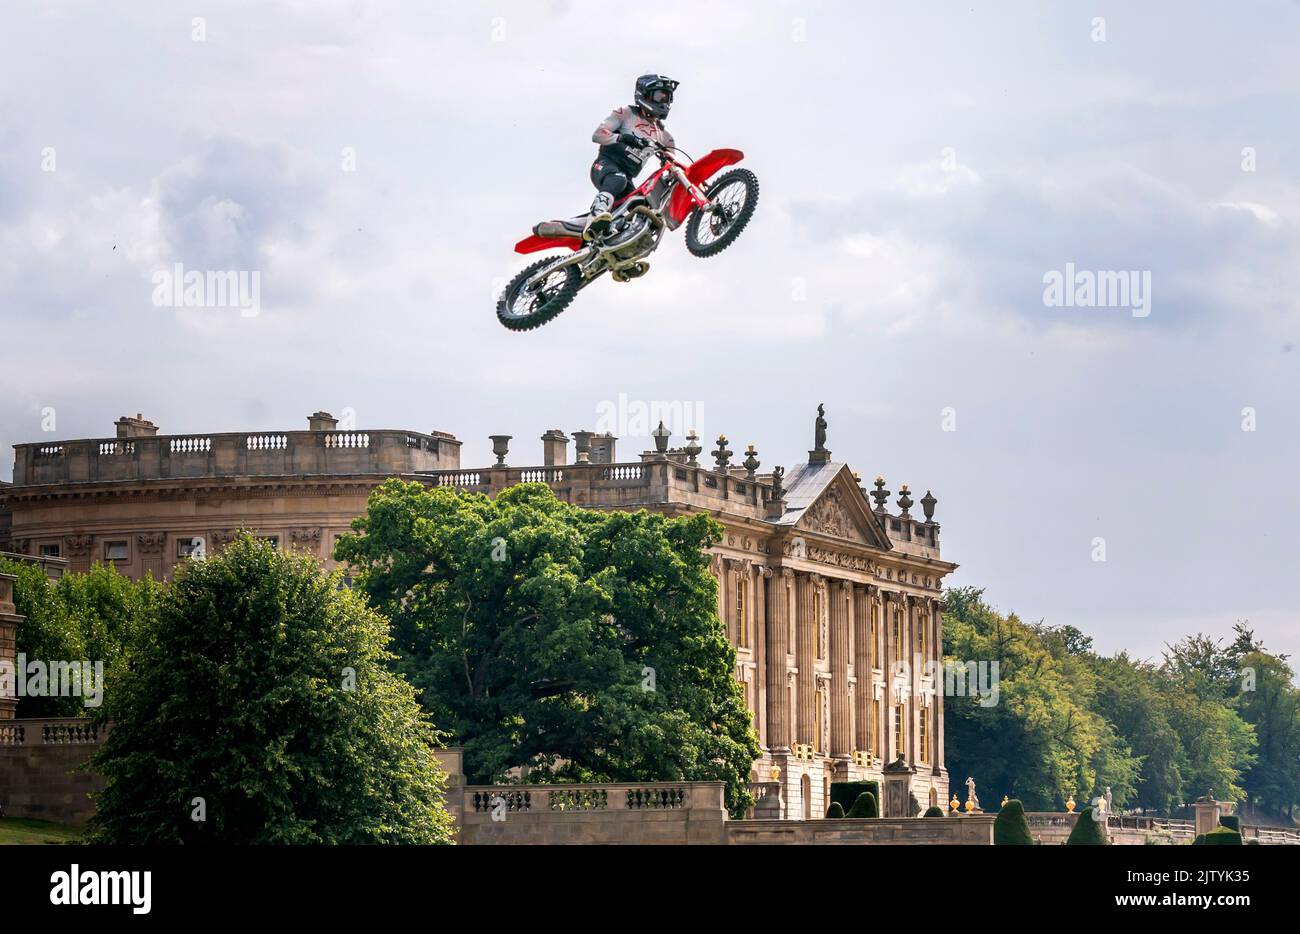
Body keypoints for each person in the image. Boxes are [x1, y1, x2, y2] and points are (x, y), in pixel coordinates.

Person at [585, 74, 678, 239]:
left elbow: (673, 163)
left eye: (667, 97)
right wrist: (620, 137)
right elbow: (597, 135)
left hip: (627, 179)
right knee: (618, 179)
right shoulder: (625, 112)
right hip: (605, 166)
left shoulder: (665, 136)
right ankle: (596, 215)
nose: (663, 101)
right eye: (659, 96)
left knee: (645, 210)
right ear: (644, 94)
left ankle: (625, 247)